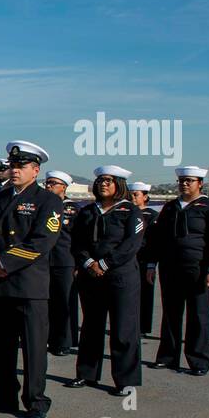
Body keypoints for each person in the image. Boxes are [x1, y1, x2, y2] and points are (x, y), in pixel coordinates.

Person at [0, 141, 64, 418]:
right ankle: (4, 394)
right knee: (0, 346)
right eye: (12, 165)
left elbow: (42, 241)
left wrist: (5, 262)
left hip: (28, 285)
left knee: (33, 347)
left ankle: (36, 400)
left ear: (35, 170)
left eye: (21, 166)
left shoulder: (49, 201)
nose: (14, 170)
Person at [68, 166, 143, 397]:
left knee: (123, 329)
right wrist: (89, 262)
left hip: (121, 277)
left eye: (109, 181)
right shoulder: (88, 211)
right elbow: (77, 241)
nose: (103, 184)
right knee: (91, 326)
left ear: (119, 184)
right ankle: (86, 373)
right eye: (100, 180)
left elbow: (131, 244)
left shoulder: (130, 211)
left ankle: (125, 380)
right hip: (91, 276)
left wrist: (105, 263)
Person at [146, 166, 209, 374]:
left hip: (197, 269)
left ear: (200, 184)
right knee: (171, 314)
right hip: (171, 268)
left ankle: (199, 361)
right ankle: (167, 357)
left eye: (189, 180)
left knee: (198, 315)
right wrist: (152, 264)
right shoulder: (170, 207)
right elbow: (157, 238)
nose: (184, 184)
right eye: (181, 180)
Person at [43, 171, 82, 356]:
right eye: (47, 182)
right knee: (46, 302)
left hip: (65, 261)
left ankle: (65, 341)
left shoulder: (72, 209)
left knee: (65, 302)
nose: (48, 186)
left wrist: (78, 264)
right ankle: (49, 338)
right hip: (44, 261)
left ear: (64, 187)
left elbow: (79, 238)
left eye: (53, 183)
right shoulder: (43, 205)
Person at [130, 181, 158, 337]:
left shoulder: (152, 215)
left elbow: (154, 242)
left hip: (144, 260)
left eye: (136, 194)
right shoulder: (126, 212)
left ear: (145, 197)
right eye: (131, 194)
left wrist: (152, 264)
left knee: (145, 295)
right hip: (129, 259)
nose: (133, 197)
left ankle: (143, 327)